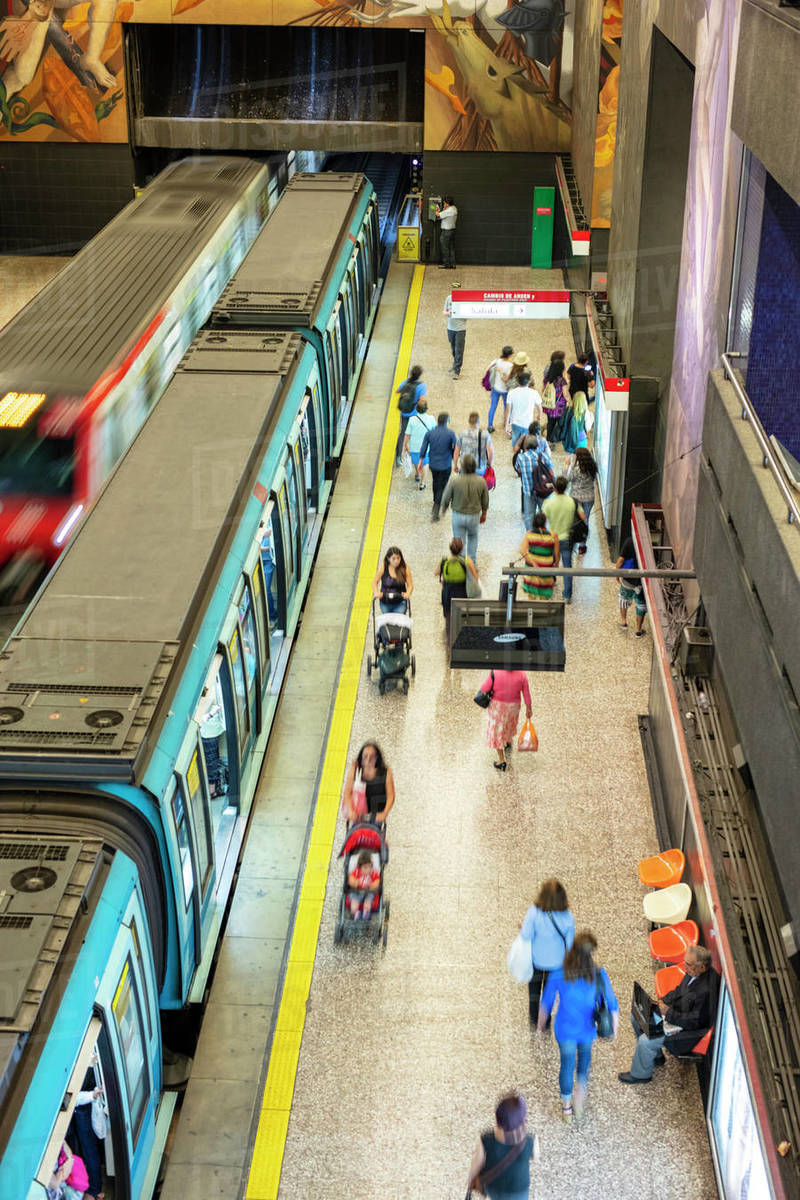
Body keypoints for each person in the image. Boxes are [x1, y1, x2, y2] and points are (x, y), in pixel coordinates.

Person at [537, 931, 619, 1124]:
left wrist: (541, 1027)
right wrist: (614, 1029)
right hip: (588, 1030)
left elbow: (546, 1003)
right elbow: (612, 1003)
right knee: (583, 1065)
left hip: (564, 1030)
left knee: (566, 1066)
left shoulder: (558, 972)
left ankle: (566, 1109)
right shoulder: (598, 974)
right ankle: (579, 1102)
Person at [618, 945, 720, 1084]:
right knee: (637, 1017)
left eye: (688, 965)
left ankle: (641, 1075)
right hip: (678, 1015)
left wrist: (668, 1012)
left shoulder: (706, 991)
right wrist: (662, 1001)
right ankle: (656, 1057)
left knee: (645, 1041)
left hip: (689, 1031)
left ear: (702, 967)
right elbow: (678, 991)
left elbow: (695, 1022)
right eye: (685, 963)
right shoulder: (693, 971)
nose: (684, 967)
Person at [520, 879, 575, 1026]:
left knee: (534, 992)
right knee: (549, 992)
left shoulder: (534, 913)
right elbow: (570, 944)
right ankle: (546, 1020)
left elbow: (526, 935)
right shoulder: (568, 916)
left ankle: (533, 1019)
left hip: (536, 960)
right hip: (557, 963)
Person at [466, 1092, 539, 1200]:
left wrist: (470, 1179)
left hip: (493, 1186)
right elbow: (536, 1158)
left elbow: (476, 1163)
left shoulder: (486, 1139)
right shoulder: (530, 1140)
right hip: (518, 1188)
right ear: (522, 1120)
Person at [479, 667, 532, 771]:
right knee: (509, 727)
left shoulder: (495, 672)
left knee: (497, 732)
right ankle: (508, 742)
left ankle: (501, 760)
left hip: (498, 707)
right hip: (513, 707)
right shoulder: (522, 674)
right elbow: (526, 694)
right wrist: (529, 708)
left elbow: (484, 688)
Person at [439, 453, 489, 562]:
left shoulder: (455, 480)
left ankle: (460, 562)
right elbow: (485, 500)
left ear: (462, 466)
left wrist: (444, 509)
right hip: (474, 515)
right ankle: (472, 563)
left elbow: (446, 497)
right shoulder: (481, 481)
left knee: (459, 540)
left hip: (458, 515)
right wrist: (484, 513)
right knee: (473, 537)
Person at [542, 476, 583, 604]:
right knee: (567, 566)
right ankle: (567, 595)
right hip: (567, 539)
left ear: (554, 488)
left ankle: (550, 583)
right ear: (566, 488)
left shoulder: (548, 503)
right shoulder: (572, 501)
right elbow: (583, 517)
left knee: (551, 561)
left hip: (552, 539)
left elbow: (542, 521)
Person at [342, 743, 395, 823]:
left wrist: (384, 813)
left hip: (377, 815)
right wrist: (350, 810)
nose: (368, 759)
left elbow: (391, 795)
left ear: (377, 758)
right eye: (365, 756)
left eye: (372, 756)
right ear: (361, 758)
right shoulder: (355, 770)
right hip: (358, 814)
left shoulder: (386, 772)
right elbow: (347, 792)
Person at [419, 411, 457, 521]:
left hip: (433, 464)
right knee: (442, 486)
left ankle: (436, 500)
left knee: (436, 482)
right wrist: (455, 463)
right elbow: (455, 449)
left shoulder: (430, 433)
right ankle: (436, 507)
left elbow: (424, 447)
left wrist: (421, 461)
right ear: (447, 422)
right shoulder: (451, 433)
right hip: (445, 465)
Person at [436, 536, 478, 627]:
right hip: (461, 591)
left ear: (450, 548)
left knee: (448, 615)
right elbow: (475, 576)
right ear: (461, 548)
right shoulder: (466, 560)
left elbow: (436, 573)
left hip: (447, 592)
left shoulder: (444, 560)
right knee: (461, 614)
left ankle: (448, 630)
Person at [517, 436, 555, 530]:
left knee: (529, 515)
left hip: (528, 491)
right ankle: (544, 533)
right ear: (537, 445)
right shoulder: (544, 456)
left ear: (526, 446)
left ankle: (530, 537)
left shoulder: (521, 458)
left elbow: (518, 470)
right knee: (545, 513)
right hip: (543, 491)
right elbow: (552, 473)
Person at [520, 512, 558, 600]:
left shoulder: (529, 534)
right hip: (546, 569)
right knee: (544, 596)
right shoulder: (553, 535)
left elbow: (523, 551)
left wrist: (533, 563)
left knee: (531, 597)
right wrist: (556, 565)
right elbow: (557, 554)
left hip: (531, 570)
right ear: (545, 522)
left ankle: (531, 612)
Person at [566, 447, 597, 554]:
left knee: (574, 520)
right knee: (585, 520)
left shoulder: (576, 469)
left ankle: (573, 540)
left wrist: (570, 464)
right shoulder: (593, 467)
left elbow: (568, 478)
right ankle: (582, 545)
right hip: (589, 498)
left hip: (576, 499)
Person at [395, 364, 426, 465]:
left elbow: (397, 391)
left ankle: (398, 457)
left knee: (403, 433)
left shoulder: (405, 382)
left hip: (404, 412)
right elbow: (421, 400)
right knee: (415, 434)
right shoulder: (421, 386)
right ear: (419, 375)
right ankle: (415, 455)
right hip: (415, 414)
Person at [615, 535, 647, 635]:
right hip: (641, 582)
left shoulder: (629, 541)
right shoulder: (648, 543)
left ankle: (623, 622)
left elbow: (621, 560)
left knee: (624, 599)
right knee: (641, 605)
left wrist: (617, 573)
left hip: (628, 579)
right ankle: (638, 630)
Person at [506, 371, 545, 449]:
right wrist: (539, 417)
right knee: (527, 444)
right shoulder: (534, 393)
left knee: (515, 444)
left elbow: (508, 411)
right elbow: (539, 408)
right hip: (528, 424)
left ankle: (516, 457)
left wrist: (507, 425)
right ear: (529, 381)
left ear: (517, 381)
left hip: (515, 423)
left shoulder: (511, 393)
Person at [403, 398, 436, 488]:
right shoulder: (431, 419)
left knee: (416, 461)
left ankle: (417, 474)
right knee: (425, 464)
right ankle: (422, 483)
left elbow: (407, 434)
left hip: (414, 446)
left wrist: (405, 445)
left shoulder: (412, 419)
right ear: (426, 408)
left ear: (417, 409)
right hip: (426, 447)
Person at [372, 546, 413, 614]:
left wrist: (408, 593)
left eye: (398, 558)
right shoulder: (384, 567)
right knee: (387, 622)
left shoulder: (405, 568)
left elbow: (410, 585)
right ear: (388, 559)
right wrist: (376, 592)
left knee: (398, 622)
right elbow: (375, 582)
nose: (396, 561)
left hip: (400, 602)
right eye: (393, 559)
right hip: (385, 602)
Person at [453, 410, 493, 478]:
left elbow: (456, 452)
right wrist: (489, 463)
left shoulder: (462, 434)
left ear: (469, 422)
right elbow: (491, 452)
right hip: (479, 468)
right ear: (478, 422)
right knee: (478, 487)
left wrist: (455, 465)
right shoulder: (485, 434)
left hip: (464, 468)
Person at [542, 354, 571, 447]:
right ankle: (558, 437)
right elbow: (565, 394)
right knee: (561, 422)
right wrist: (570, 401)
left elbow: (543, 390)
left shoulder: (547, 379)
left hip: (549, 404)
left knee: (550, 422)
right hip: (559, 407)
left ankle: (549, 440)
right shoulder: (562, 381)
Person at [347, 848, 381, 918]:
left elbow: (377, 882)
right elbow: (350, 880)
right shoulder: (356, 872)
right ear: (359, 867)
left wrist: (371, 885)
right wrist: (357, 883)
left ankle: (366, 913)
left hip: (368, 893)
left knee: (368, 903)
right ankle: (356, 914)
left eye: (370, 867)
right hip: (356, 892)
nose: (368, 870)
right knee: (354, 905)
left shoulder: (374, 873)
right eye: (365, 867)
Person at [487, 345, 514, 432]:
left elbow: (488, 369)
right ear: (510, 355)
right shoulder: (510, 365)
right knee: (507, 408)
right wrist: (502, 372)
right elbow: (507, 378)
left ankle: (490, 425)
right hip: (505, 390)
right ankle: (506, 425)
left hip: (495, 388)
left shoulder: (496, 361)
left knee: (493, 407)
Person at [443, 287, 466, 378]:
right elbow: (444, 311)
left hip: (460, 329)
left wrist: (459, 313)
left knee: (459, 349)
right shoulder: (449, 298)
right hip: (450, 328)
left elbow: (468, 316)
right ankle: (455, 363)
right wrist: (450, 313)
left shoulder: (464, 300)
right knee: (453, 348)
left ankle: (457, 370)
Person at [561, 390, 588, 455]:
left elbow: (562, 423)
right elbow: (587, 426)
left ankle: (569, 465)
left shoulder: (568, 410)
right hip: (582, 439)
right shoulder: (585, 412)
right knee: (580, 459)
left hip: (570, 438)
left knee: (569, 459)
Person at [435, 194, 458, 269]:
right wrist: (445, 208)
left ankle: (447, 264)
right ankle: (453, 264)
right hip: (452, 230)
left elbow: (438, 214)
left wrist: (434, 208)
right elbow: (444, 213)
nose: (444, 204)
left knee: (445, 247)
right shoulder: (454, 208)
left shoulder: (449, 210)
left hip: (446, 232)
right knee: (451, 248)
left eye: (444, 203)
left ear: (447, 203)